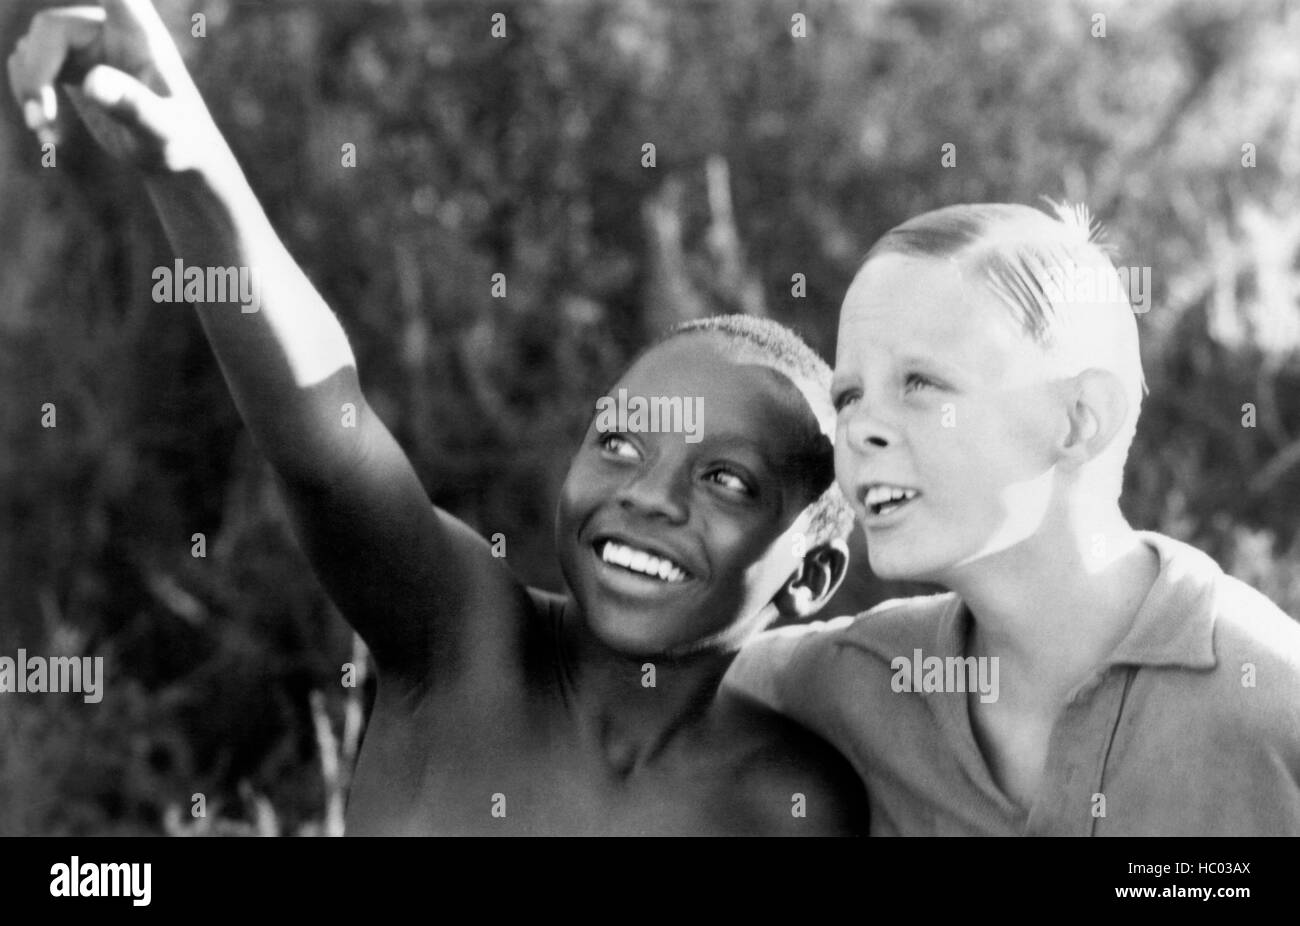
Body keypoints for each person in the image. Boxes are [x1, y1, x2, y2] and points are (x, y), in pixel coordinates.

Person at [8, 0, 868, 835]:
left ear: (813, 574)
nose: (648, 495)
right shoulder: (462, 639)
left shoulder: (793, 803)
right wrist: (189, 159)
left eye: (724, 479)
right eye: (619, 442)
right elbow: (327, 442)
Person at [726, 202, 1300, 835]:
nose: (860, 429)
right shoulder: (848, 678)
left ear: (1080, 417)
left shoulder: (1273, 698)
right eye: (850, 396)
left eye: (920, 382)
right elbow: (637, 692)